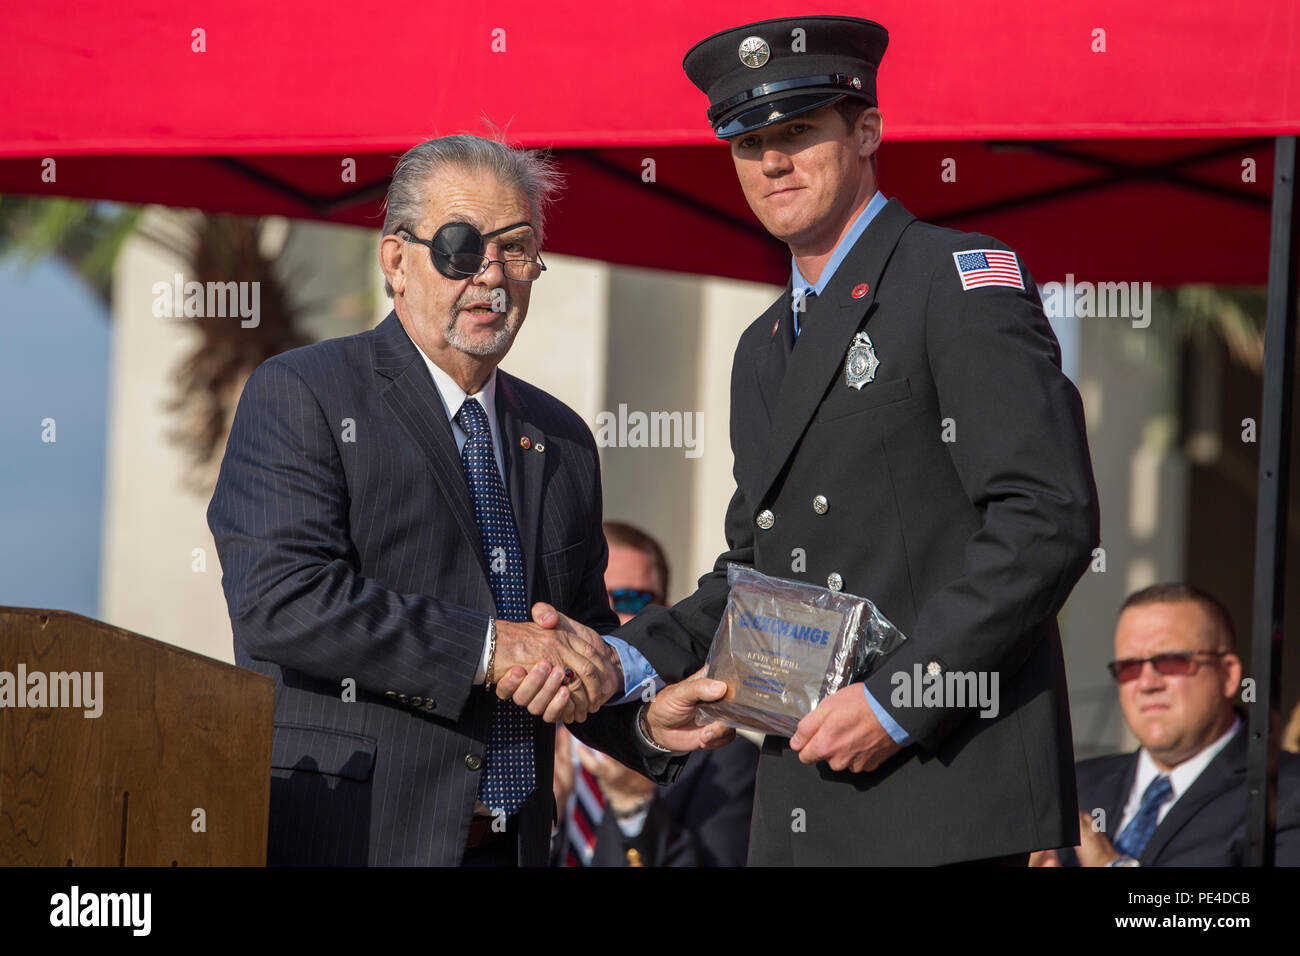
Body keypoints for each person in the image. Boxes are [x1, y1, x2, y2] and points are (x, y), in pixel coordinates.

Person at [515, 14, 1100, 865]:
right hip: (807, 802)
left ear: (867, 130)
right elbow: (758, 572)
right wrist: (616, 660)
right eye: (749, 143)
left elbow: (1047, 520)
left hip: (949, 797)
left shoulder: (956, 279)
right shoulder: (761, 347)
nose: (773, 161)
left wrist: (900, 701)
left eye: (797, 131)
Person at [206, 135, 729, 867]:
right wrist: (487, 647)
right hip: (353, 838)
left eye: (516, 250)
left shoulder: (562, 438)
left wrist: (642, 723)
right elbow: (281, 601)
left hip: (514, 847)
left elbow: (573, 643)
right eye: (459, 246)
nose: (490, 275)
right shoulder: (306, 394)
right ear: (396, 261)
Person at [1034, 584, 1300, 867]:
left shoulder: (1286, 792)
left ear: (1228, 675)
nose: (1147, 683)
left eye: (1171, 661)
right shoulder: (1074, 786)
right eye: (1129, 667)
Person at [553, 522, 758, 866]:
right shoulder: (527, 738)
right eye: (592, 603)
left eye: (631, 599)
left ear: (664, 613)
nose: (611, 618)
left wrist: (634, 810)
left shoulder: (723, 758)